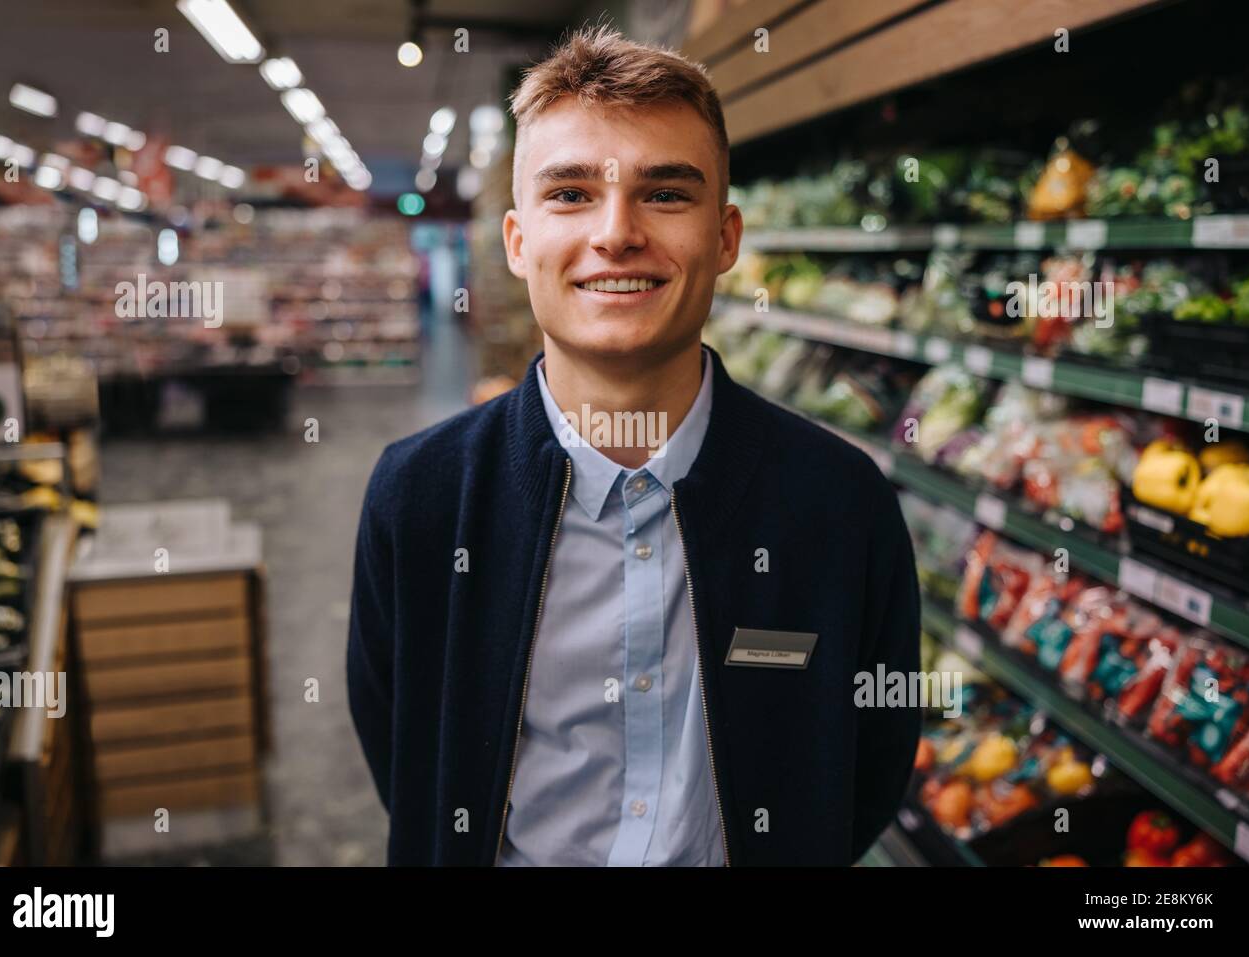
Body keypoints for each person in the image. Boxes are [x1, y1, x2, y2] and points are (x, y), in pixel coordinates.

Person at [346, 23, 920, 866]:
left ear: (725, 238)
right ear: (517, 243)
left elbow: (868, 763)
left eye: (666, 193)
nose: (616, 233)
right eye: (571, 193)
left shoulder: (839, 503)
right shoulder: (420, 497)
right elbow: (409, 756)